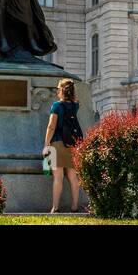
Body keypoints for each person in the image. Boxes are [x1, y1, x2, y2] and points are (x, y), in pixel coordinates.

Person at [43, 78, 84, 213]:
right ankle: (74, 206)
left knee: (58, 177)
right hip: (73, 144)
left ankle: (55, 207)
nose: (57, 91)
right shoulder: (75, 105)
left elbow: (51, 126)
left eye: (58, 89)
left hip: (57, 143)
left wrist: (46, 144)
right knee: (73, 177)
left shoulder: (56, 106)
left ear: (62, 90)